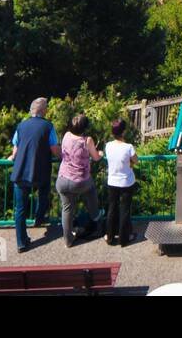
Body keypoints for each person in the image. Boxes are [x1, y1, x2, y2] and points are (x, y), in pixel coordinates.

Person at [9, 97, 60, 253]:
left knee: (20, 209)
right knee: (43, 195)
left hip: (20, 171)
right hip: (40, 170)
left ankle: (21, 242)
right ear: (44, 110)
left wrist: (11, 157)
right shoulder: (48, 126)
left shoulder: (21, 126)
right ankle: (39, 218)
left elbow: (15, 148)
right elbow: (54, 149)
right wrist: (64, 157)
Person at [56, 113, 102, 248]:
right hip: (80, 181)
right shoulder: (87, 140)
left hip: (63, 179)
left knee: (67, 209)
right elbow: (95, 157)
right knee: (92, 191)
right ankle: (96, 221)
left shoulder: (66, 136)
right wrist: (100, 154)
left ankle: (68, 240)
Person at [104, 119, 138, 247]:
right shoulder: (128, 147)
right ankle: (124, 239)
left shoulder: (108, 145)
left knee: (112, 209)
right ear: (123, 132)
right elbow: (136, 160)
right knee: (125, 210)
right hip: (126, 182)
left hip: (112, 181)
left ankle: (110, 236)